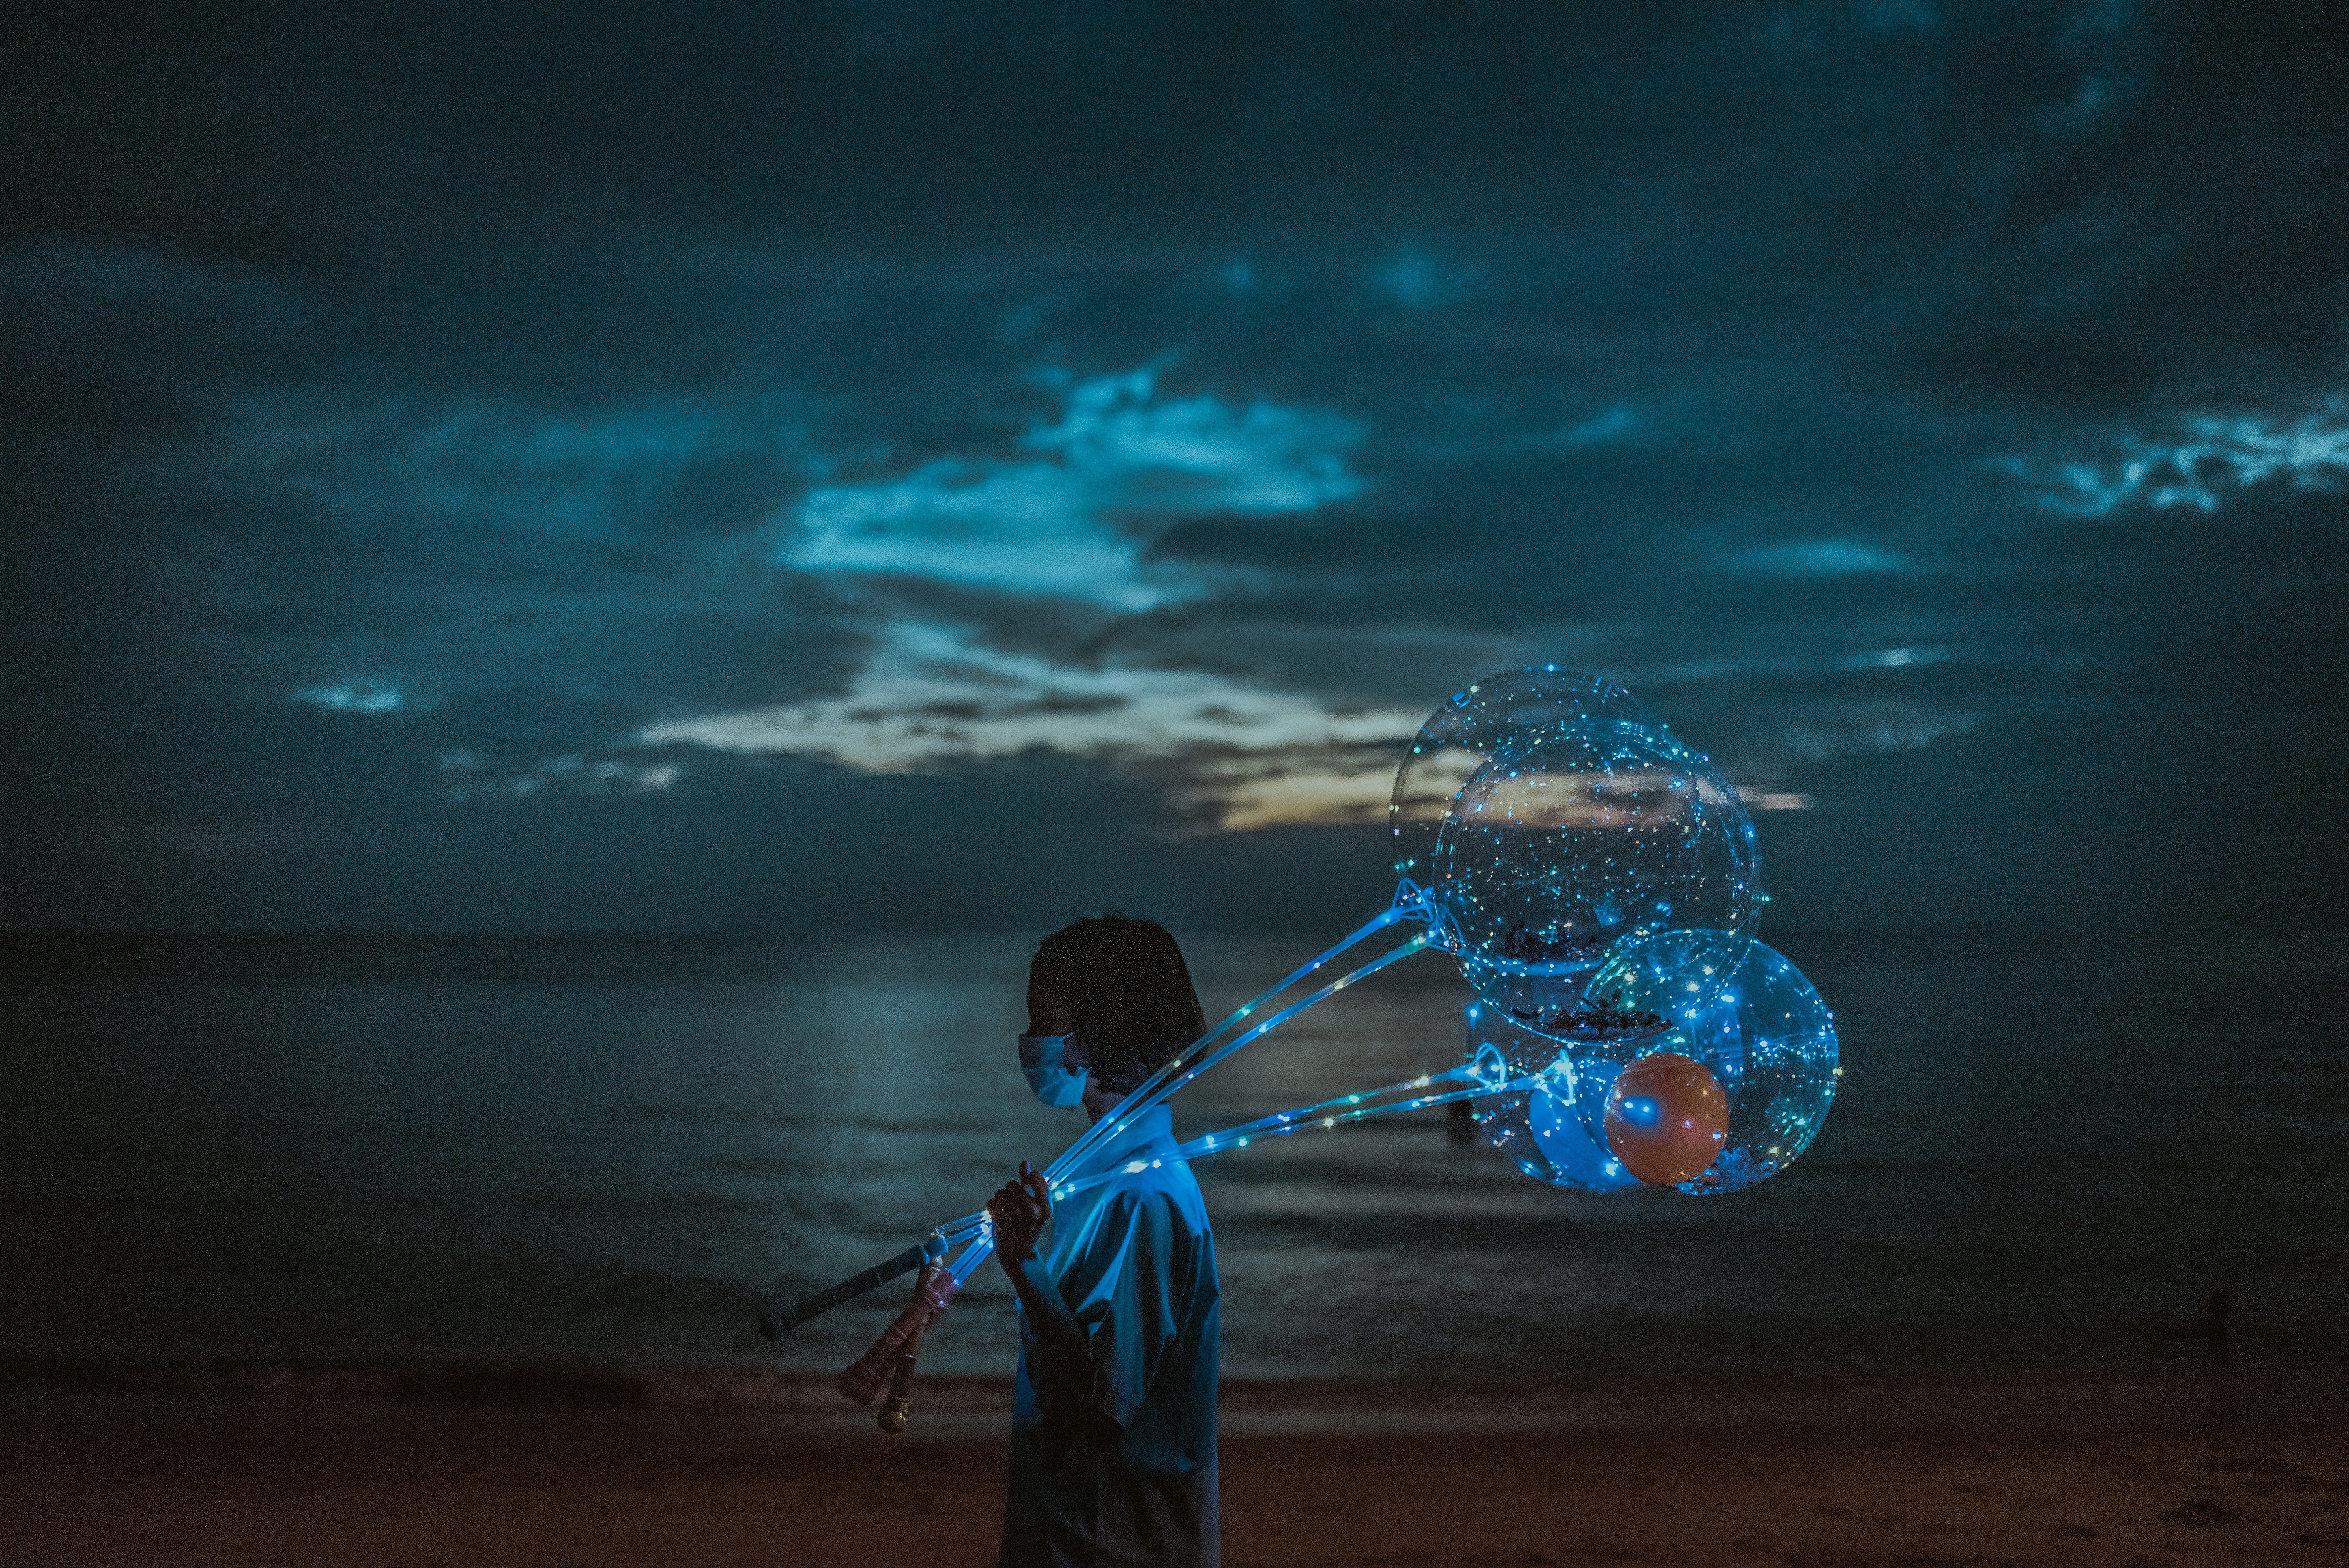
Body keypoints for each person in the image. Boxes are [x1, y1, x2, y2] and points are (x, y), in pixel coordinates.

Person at [987, 915, 1220, 1568]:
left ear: (1086, 1039)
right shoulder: (1103, 1174)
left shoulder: (1141, 1198)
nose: (1031, 1039)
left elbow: (1100, 1409)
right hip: (1077, 1528)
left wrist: (1023, 1264)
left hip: (1116, 1541)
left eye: (1042, 1018)